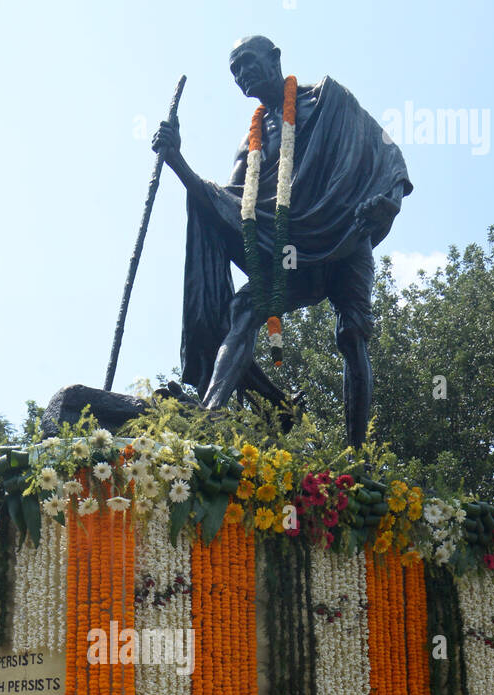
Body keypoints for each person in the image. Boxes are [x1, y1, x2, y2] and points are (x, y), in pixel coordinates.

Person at [153, 34, 412, 445]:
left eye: (246, 62)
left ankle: (356, 460)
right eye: (234, 70)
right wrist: (177, 161)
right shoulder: (252, 141)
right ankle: (207, 419)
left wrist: (389, 202)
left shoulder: (331, 102)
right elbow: (228, 202)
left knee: (351, 335)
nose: (241, 75)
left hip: (346, 234)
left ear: (275, 58)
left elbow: (389, 157)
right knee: (244, 307)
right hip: (293, 253)